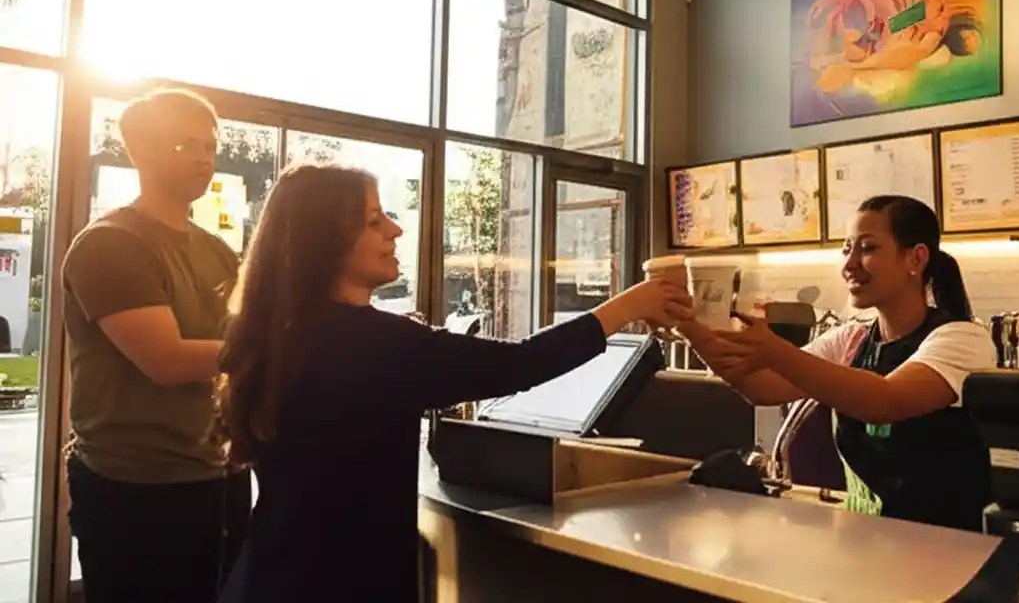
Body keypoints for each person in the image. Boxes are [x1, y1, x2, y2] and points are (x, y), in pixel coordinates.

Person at [215, 164, 693, 602]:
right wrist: (630, 306)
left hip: (265, 575)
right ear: (326, 240)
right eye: (374, 221)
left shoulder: (276, 332)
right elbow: (522, 363)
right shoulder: (376, 342)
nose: (395, 229)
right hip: (341, 584)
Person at [682, 195, 996, 530]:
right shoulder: (852, 338)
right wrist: (686, 324)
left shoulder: (963, 339)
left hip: (948, 544)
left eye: (867, 248)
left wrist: (775, 350)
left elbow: (886, 400)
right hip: (867, 537)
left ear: (916, 258)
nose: (849, 264)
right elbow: (762, 386)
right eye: (847, 249)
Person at [61, 88, 250, 602]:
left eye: (209, 145)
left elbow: (239, 341)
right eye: (184, 145)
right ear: (139, 152)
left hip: (215, 472)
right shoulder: (111, 244)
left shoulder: (216, 249)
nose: (203, 158)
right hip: (135, 484)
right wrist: (273, 350)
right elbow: (166, 360)